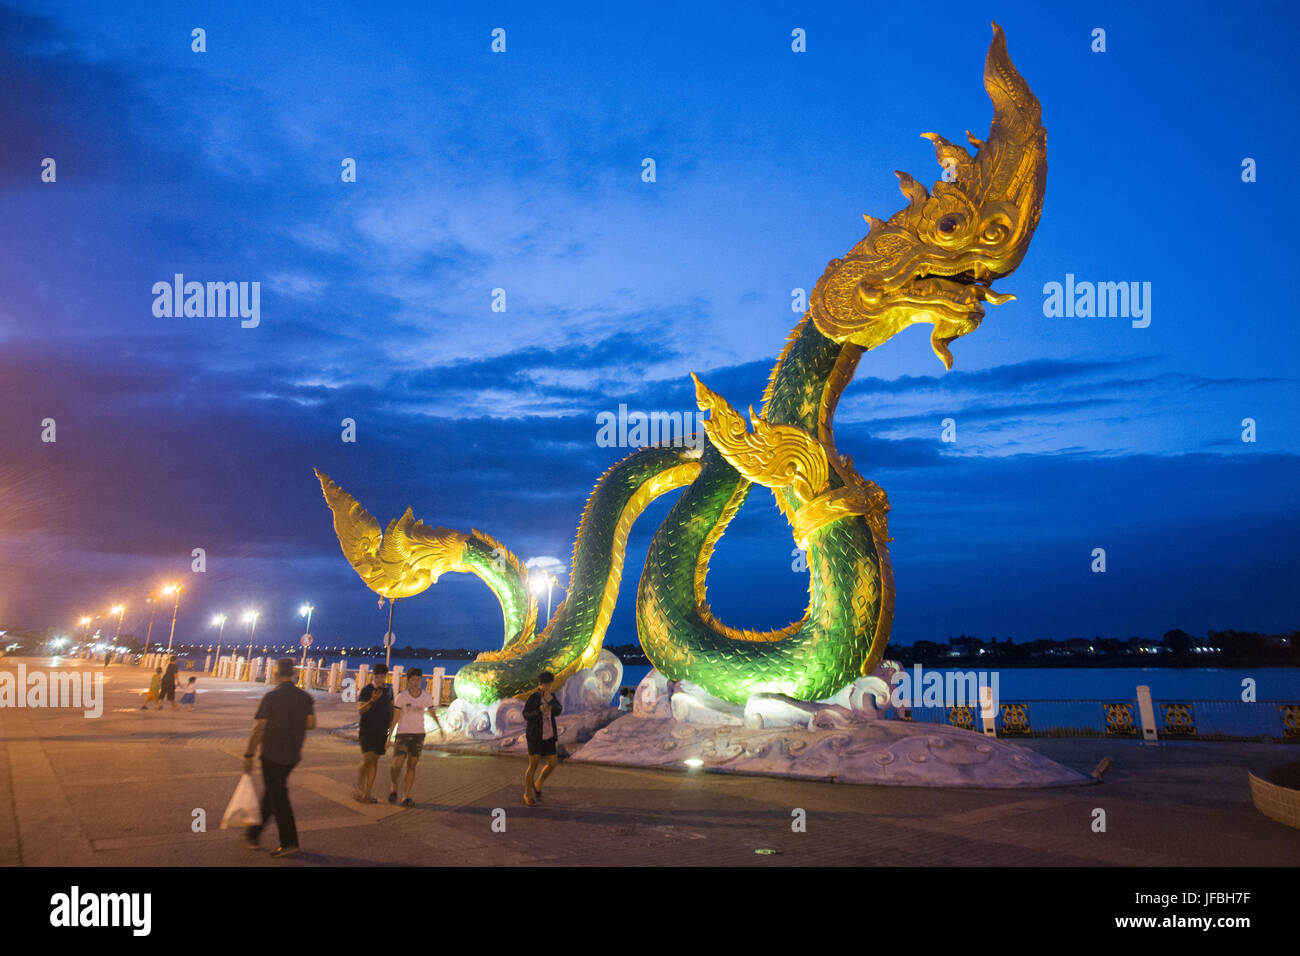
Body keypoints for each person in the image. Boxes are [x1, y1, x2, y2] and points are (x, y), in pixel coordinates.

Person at [242, 658, 315, 857]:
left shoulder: (271, 697)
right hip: (292, 756)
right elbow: (311, 724)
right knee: (272, 795)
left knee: (278, 798)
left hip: (272, 755)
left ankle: (289, 842)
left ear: (276, 673)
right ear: (292, 673)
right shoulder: (306, 698)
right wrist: (294, 721)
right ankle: (253, 834)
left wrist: (248, 754)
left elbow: (259, 728)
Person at [387, 668, 437, 808]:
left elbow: (432, 711)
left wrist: (439, 725)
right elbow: (395, 718)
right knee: (396, 765)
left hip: (418, 735)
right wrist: (389, 737)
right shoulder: (402, 697)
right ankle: (393, 785)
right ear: (408, 680)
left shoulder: (426, 696)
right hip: (403, 734)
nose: (415, 683)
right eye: (412, 680)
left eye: (418, 680)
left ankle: (405, 796)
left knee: (412, 765)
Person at [522, 671, 563, 806]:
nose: (548, 687)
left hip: (549, 735)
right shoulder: (533, 697)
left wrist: (551, 701)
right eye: (546, 684)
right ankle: (527, 794)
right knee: (533, 764)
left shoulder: (551, 696)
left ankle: (538, 783)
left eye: (550, 684)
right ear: (540, 684)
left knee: (552, 762)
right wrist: (539, 710)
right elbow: (526, 714)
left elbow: (558, 710)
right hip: (535, 735)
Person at [354, 664, 393, 803]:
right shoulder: (366, 690)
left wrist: (390, 730)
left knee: (375, 760)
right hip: (367, 729)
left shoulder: (389, 690)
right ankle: (358, 786)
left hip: (381, 730)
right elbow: (360, 710)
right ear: (373, 676)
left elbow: (391, 708)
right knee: (367, 758)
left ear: (385, 677)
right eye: (377, 676)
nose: (379, 679)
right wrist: (372, 700)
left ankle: (367, 793)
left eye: (382, 676)